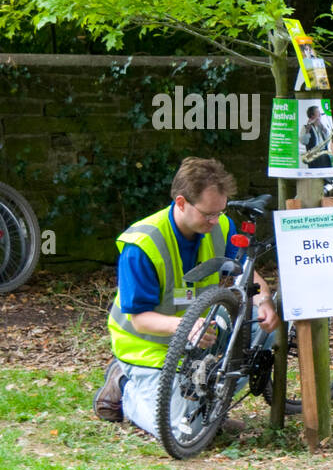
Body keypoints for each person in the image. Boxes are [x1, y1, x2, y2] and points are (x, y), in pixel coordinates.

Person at [94, 158, 280, 437]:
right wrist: (187, 327)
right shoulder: (142, 245)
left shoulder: (220, 226)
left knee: (266, 334)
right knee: (186, 433)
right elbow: (140, 320)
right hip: (150, 350)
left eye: (220, 211)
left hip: (200, 339)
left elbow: (246, 274)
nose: (216, 220)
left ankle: (208, 409)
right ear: (181, 203)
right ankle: (125, 387)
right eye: (208, 214)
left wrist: (263, 301)